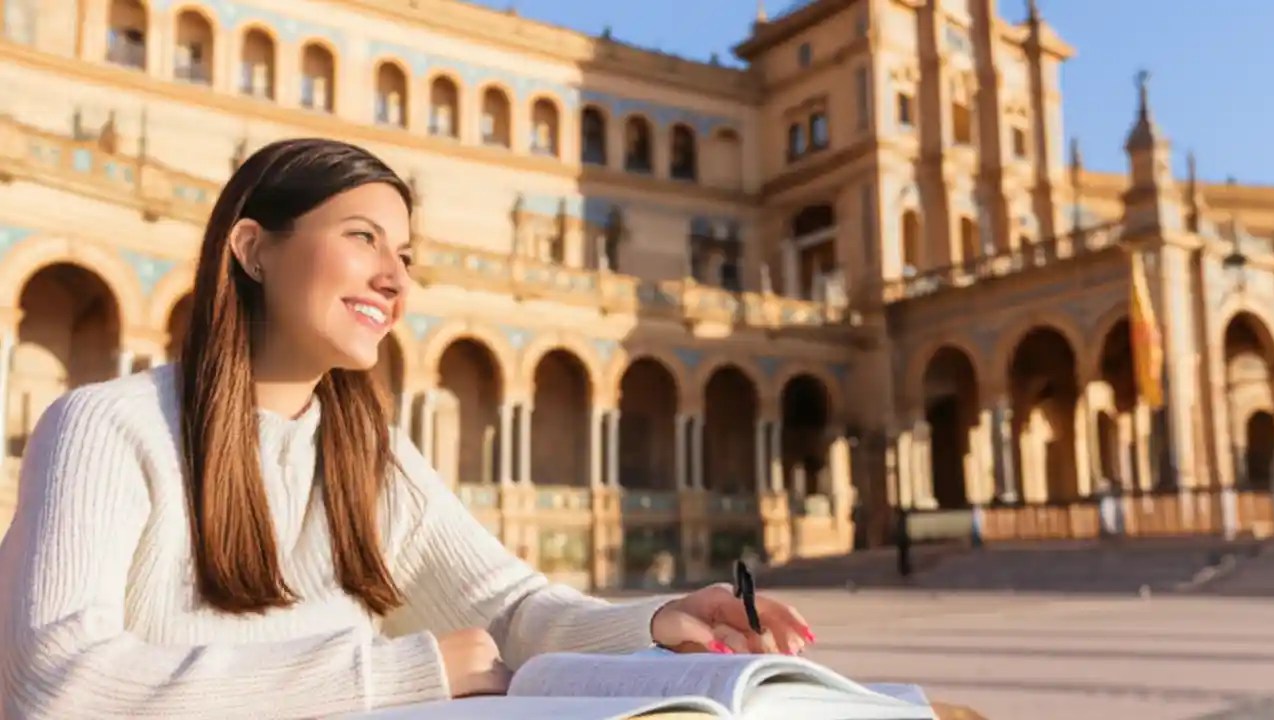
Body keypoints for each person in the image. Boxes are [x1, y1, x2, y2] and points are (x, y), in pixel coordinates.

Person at [0, 138, 816, 719]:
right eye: (362, 238)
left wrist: (659, 620)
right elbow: (56, 687)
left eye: (408, 254)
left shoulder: (374, 460)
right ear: (252, 249)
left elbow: (510, 612)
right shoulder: (106, 429)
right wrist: (398, 673)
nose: (394, 278)